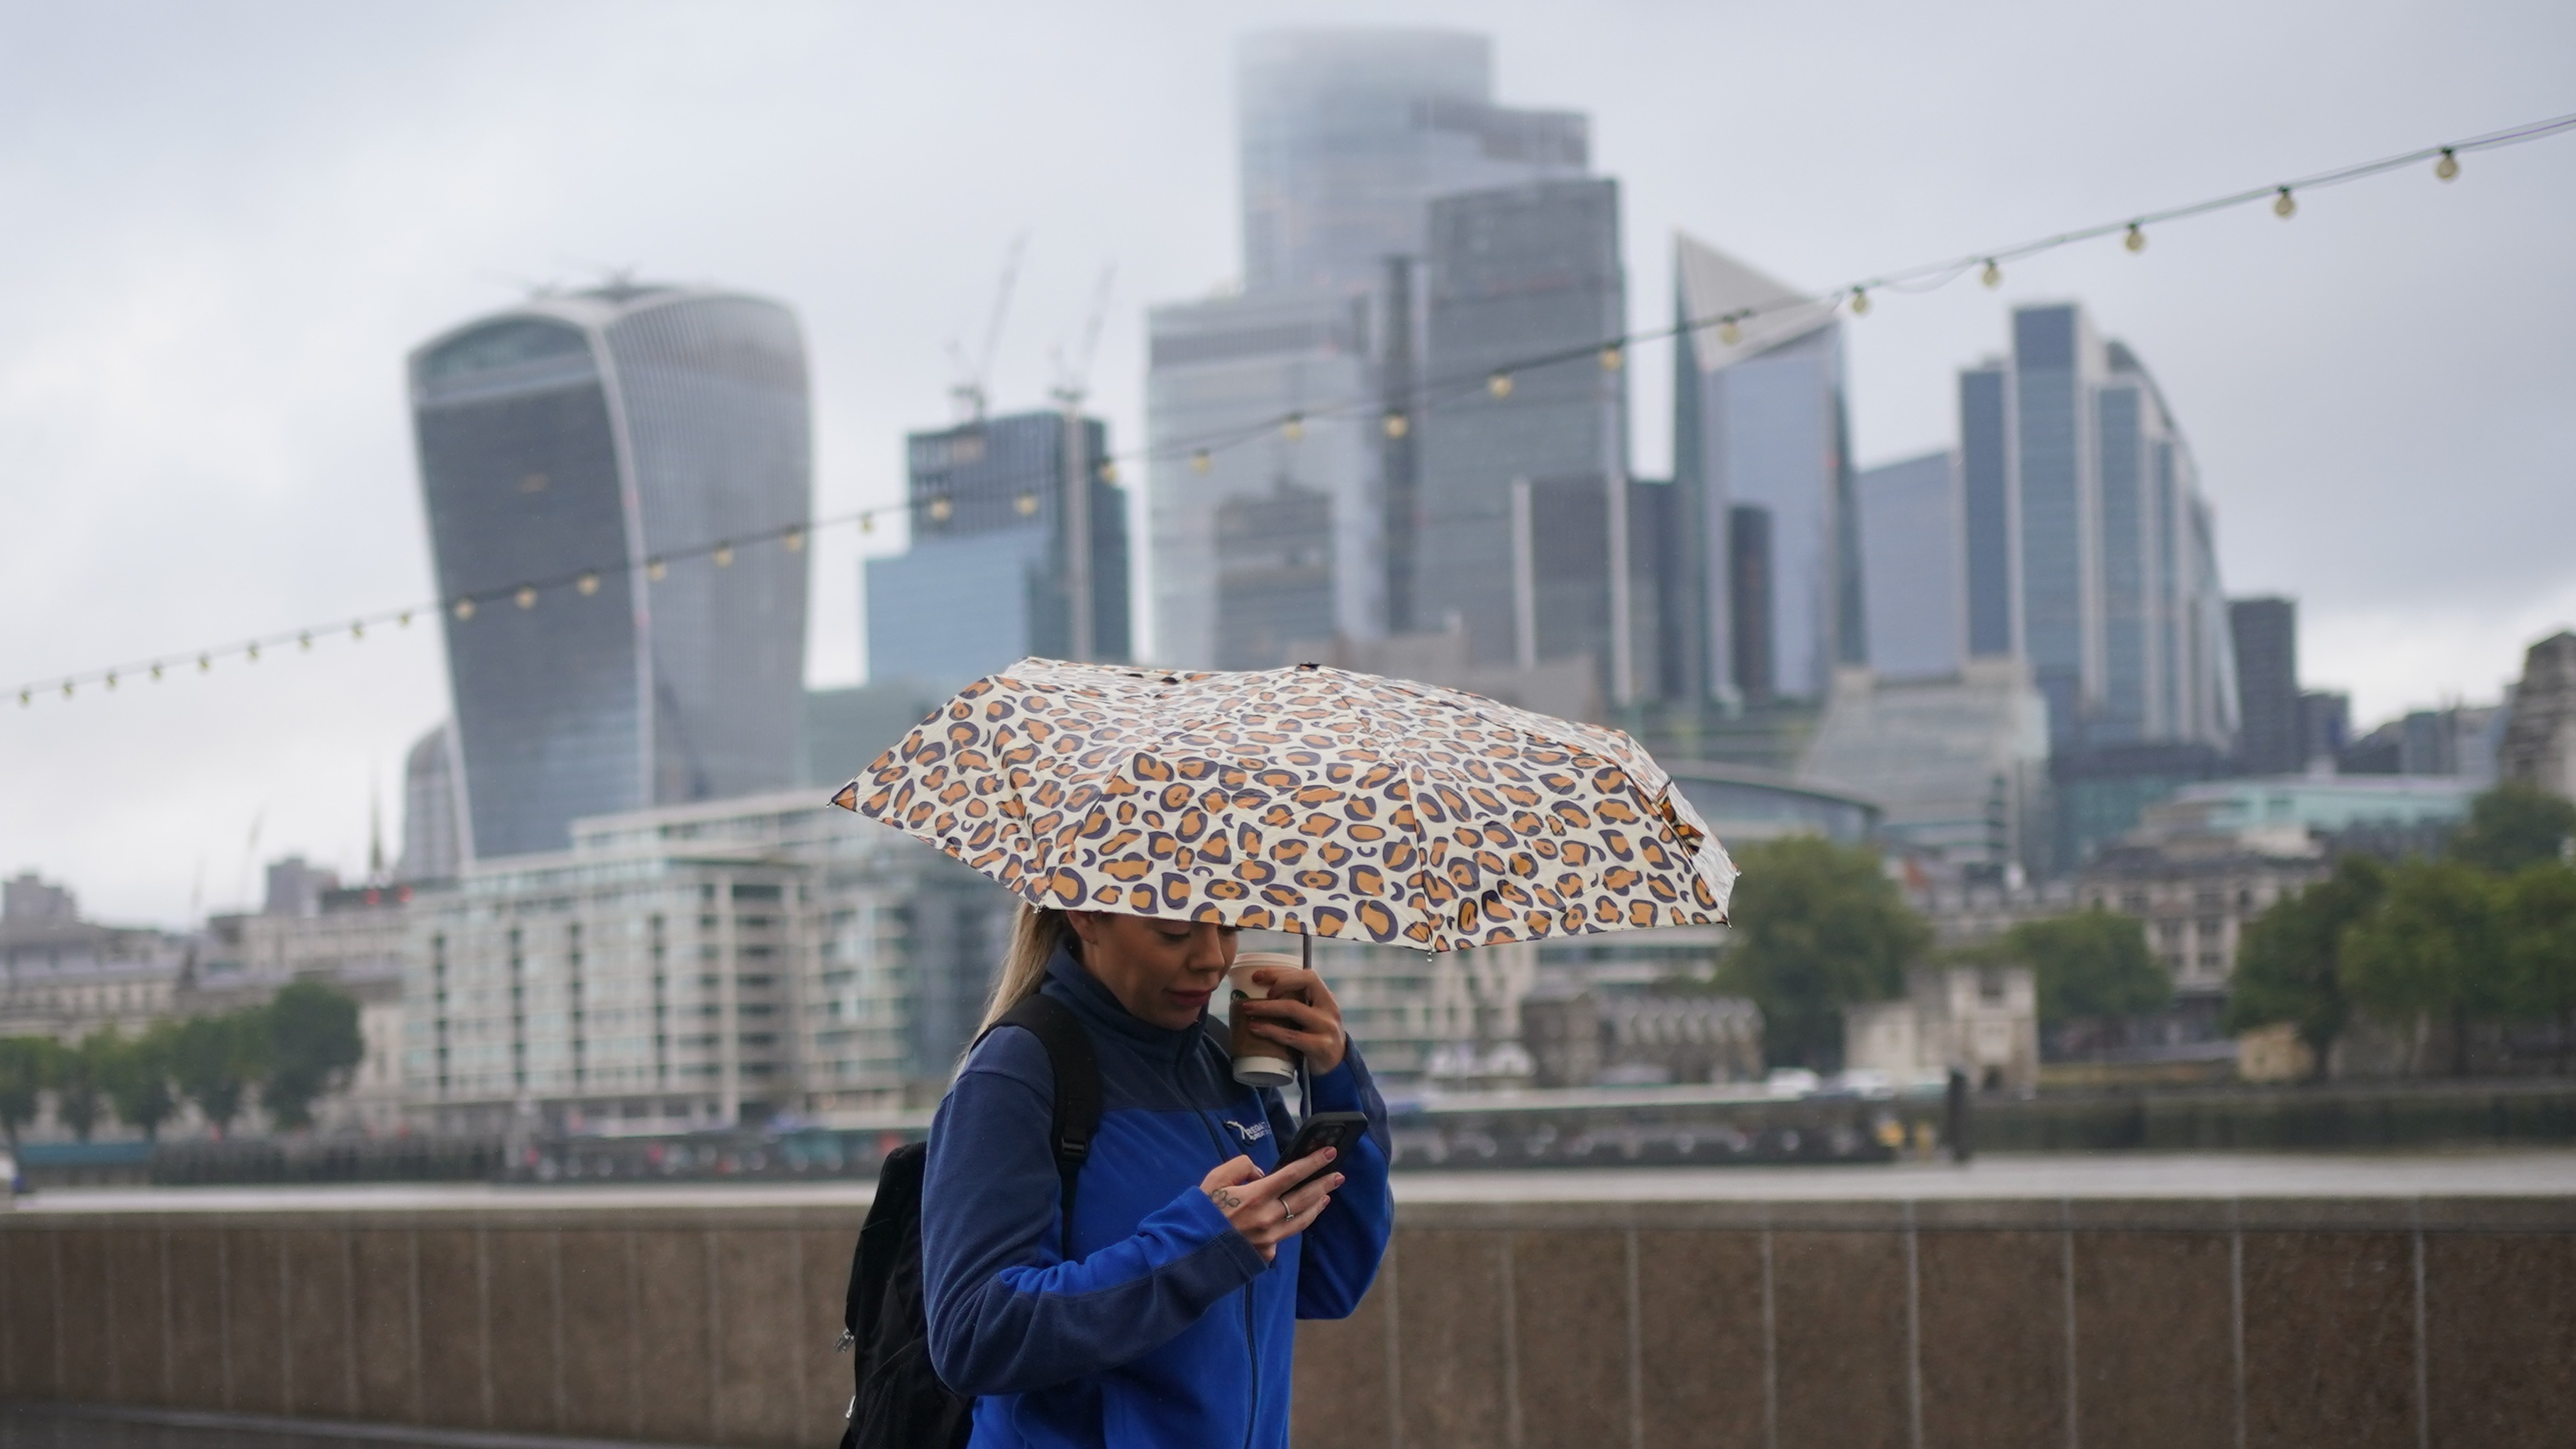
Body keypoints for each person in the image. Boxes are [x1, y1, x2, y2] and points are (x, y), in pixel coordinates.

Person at [920, 904, 1393, 1448]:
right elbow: (973, 1335)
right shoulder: (1018, 1071)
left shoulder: (1224, 1059)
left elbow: (1328, 1280)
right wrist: (1201, 1245)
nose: (1212, 960)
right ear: (1085, 917)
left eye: (1230, 927)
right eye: (1175, 933)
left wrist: (1336, 1075)